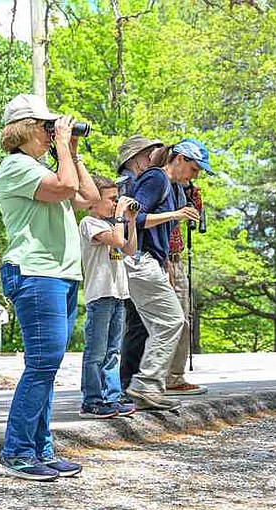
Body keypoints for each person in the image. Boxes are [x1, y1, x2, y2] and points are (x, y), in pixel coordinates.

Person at [0, 94, 100, 481]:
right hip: (36, 273)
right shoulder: (16, 166)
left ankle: (41, 449)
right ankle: (16, 453)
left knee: (48, 369)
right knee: (40, 366)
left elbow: (89, 197)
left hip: (60, 274)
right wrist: (62, 150)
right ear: (25, 128)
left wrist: (71, 150)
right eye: (47, 126)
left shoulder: (46, 168)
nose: (51, 132)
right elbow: (65, 187)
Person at [124, 139, 213, 411]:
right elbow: (133, 216)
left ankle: (147, 387)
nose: (195, 175)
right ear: (181, 159)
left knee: (165, 322)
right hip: (140, 259)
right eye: (195, 169)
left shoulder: (174, 188)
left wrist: (166, 266)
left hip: (155, 261)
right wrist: (176, 213)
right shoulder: (156, 178)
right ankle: (145, 385)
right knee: (172, 320)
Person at [79, 176, 138, 419]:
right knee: (96, 351)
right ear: (93, 202)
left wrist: (131, 221)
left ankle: (112, 397)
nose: (115, 204)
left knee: (113, 350)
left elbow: (129, 248)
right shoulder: (89, 222)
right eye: (112, 199)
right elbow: (114, 239)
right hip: (100, 294)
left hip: (118, 294)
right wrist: (119, 217)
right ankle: (92, 400)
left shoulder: (113, 223)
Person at [114, 136, 164, 394]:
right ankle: (128, 383)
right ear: (133, 158)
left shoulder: (129, 182)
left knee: (136, 323)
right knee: (137, 324)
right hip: (132, 256)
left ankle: (126, 383)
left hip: (127, 256)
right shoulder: (127, 183)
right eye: (146, 155)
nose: (149, 161)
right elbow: (135, 217)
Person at [163, 183, 208, 395]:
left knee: (183, 319)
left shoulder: (182, 189)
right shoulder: (156, 183)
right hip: (161, 257)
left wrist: (192, 196)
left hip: (176, 256)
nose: (194, 176)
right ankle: (156, 377)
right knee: (164, 320)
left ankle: (174, 376)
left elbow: (196, 216)